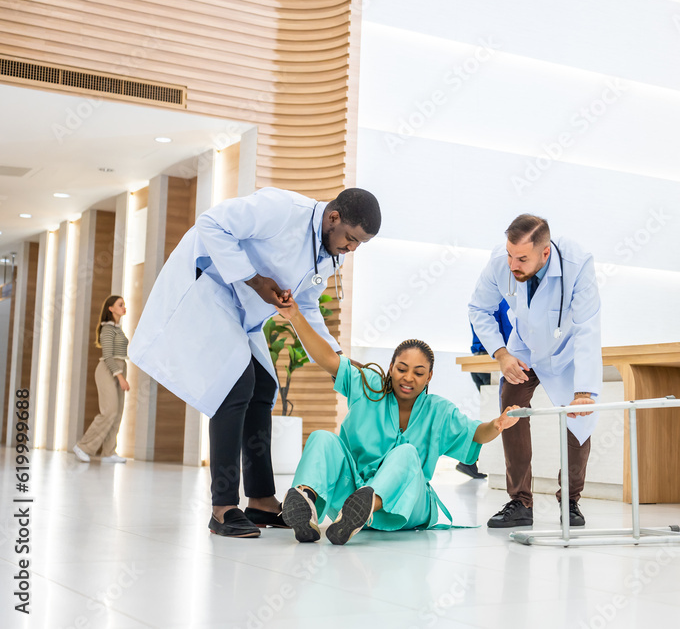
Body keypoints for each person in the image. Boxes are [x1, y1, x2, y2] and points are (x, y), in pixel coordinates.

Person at [130, 186, 381, 538]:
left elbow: (307, 305)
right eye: (350, 239)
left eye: (359, 245)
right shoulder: (282, 209)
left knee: (264, 386)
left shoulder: (328, 252)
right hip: (210, 289)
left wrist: (336, 357)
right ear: (333, 218)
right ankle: (222, 508)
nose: (351, 249)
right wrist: (256, 279)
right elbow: (211, 223)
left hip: (241, 311)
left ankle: (261, 500)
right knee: (235, 384)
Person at [276, 297, 519, 545]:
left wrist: (496, 425)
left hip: (409, 503)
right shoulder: (367, 384)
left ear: (429, 377)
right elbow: (327, 358)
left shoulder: (439, 410)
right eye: (402, 368)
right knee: (322, 437)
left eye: (418, 372)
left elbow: (477, 433)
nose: (408, 378)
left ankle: (366, 506)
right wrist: (295, 315)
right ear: (391, 367)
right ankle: (305, 500)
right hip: (353, 490)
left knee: (406, 453)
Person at [469, 214, 601, 528]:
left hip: (567, 349)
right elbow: (478, 308)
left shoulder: (577, 263)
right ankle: (519, 503)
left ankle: (570, 502)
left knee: (578, 422)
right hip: (525, 346)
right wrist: (501, 354)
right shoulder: (501, 262)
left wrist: (583, 391)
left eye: (522, 258)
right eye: (510, 254)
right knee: (511, 406)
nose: (513, 264)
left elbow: (587, 328)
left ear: (544, 253)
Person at [458, 300, 513, 480]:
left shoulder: (480, 302)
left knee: (489, 414)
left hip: (479, 359)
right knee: (498, 416)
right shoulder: (503, 300)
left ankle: (468, 460)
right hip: (493, 362)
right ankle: (468, 460)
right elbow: (508, 329)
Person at [73, 295, 130, 464]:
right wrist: (120, 377)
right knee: (109, 411)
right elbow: (107, 356)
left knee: (117, 413)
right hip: (108, 370)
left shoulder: (118, 328)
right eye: (120, 305)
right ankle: (83, 447)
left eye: (124, 304)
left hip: (120, 368)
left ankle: (108, 452)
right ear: (110, 308)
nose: (124, 307)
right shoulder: (107, 328)